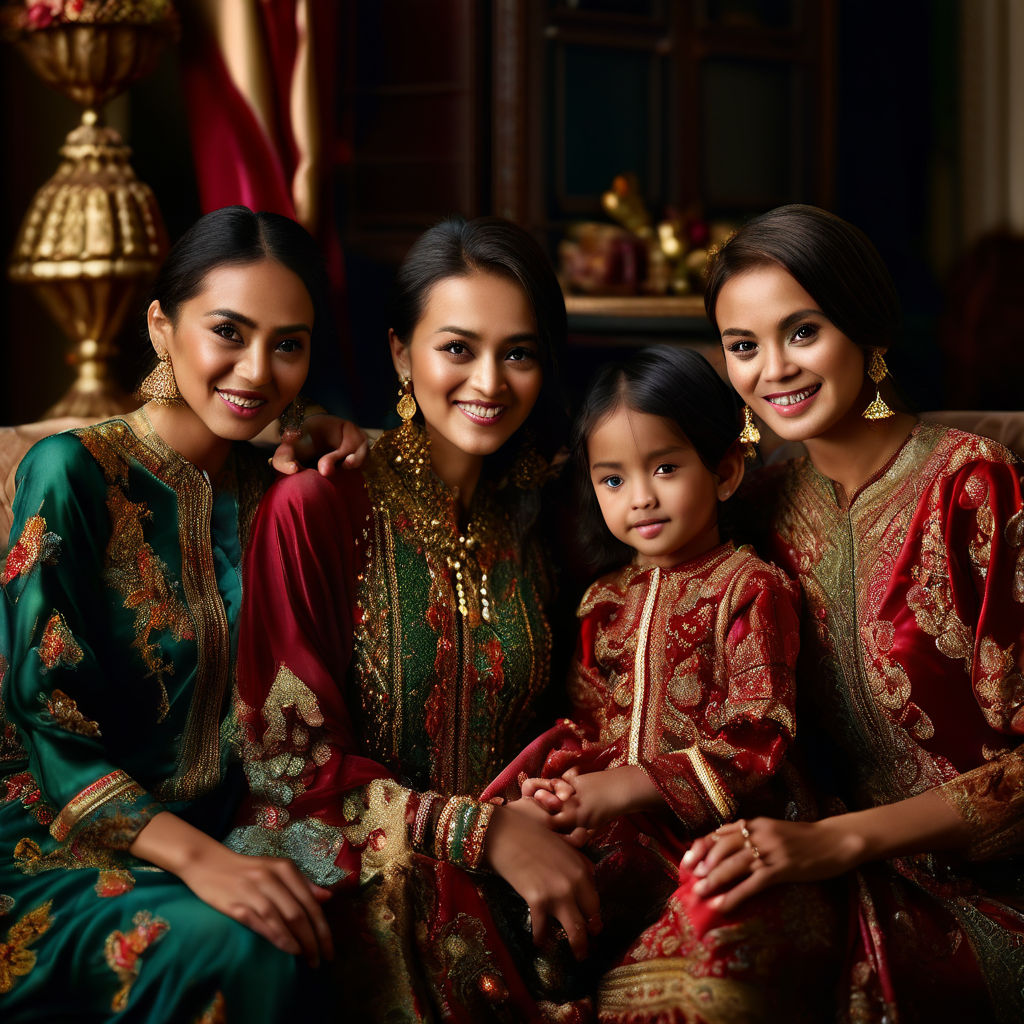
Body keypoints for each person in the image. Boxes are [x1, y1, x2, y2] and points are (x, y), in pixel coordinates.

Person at [228, 216, 602, 1022]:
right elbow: (286, 770)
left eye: (521, 353)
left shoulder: (548, 514)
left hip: (523, 867)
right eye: (458, 349)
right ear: (402, 353)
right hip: (363, 871)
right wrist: (482, 834)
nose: (491, 383)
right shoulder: (319, 504)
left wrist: (549, 810)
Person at [0, 205, 367, 1021]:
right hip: (55, 843)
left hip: (235, 836)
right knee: (244, 947)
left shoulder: (279, 488)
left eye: (289, 345)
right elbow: (46, 720)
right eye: (228, 332)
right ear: (163, 327)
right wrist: (203, 862)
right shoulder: (71, 473)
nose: (257, 371)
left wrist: (329, 432)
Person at [686, 204, 1024, 1023]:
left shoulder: (970, 483)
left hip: (994, 893)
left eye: (802, 332)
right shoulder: (757, 503)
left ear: (867, 334)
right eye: (743, 346)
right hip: (828, 870)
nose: (773, 370)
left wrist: (840, 841)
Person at [503, 347, 838, 1022]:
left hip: (723, 833)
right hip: (618, 829)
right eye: (613, 480)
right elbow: (588, 725)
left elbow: (757, 740)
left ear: (724, 471)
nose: (642, 497)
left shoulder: (750, 589)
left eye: (664, 467)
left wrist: (632, 784)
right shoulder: (603, 600)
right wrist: (564, 788)